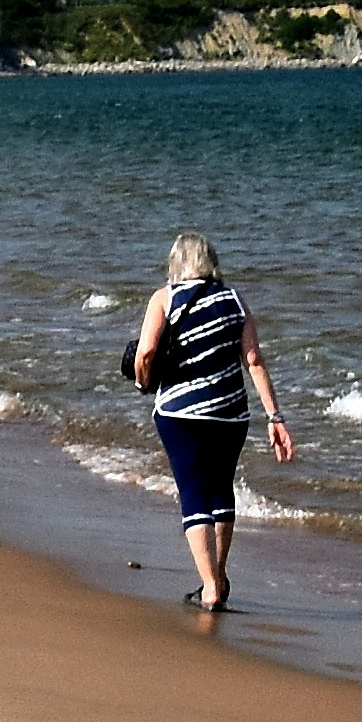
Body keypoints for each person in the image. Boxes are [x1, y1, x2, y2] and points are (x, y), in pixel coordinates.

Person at [123, 232, 293, 615]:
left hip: (181, 414)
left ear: (175, 262)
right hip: (232, 415)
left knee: (193, 494)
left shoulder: (165, 297)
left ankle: (212, 589)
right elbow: (253, 360)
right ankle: (217, 576)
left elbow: (147, 350)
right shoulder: (234, 299)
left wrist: (140, 380)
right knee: (221, 491)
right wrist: (275, 416)